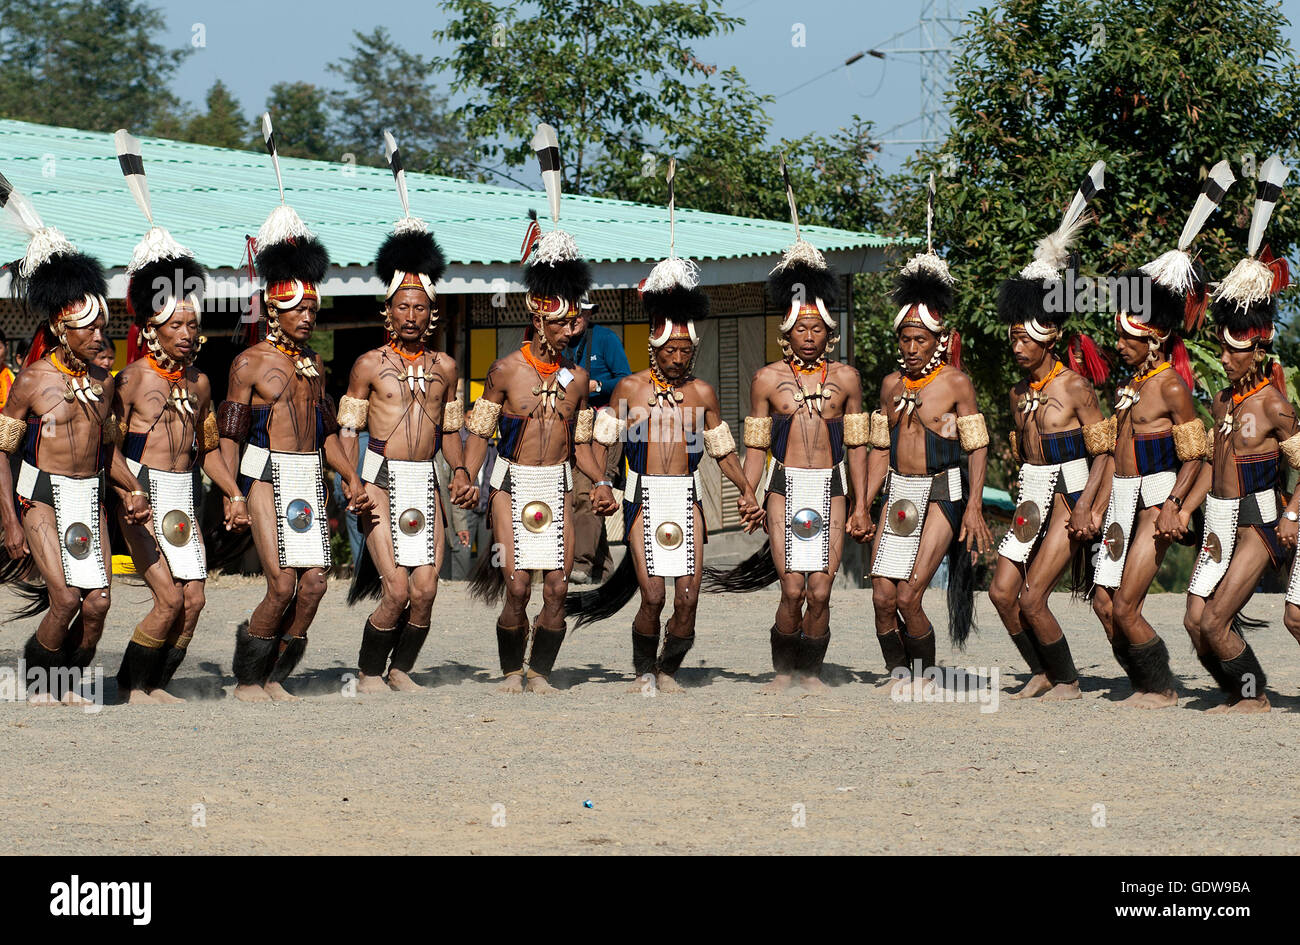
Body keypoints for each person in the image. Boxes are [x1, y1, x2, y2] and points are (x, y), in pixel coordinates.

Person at [566, 168, 759, 691]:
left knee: (688, 597)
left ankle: (670, 668)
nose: (677, 358)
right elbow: (603, 443)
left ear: (693, 350)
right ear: (654, 348)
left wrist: (747, 492)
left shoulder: (702, 395)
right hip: (642, 497)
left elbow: (722, 449)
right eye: (669, 350)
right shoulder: (629, 390)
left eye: (684, 351)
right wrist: (604, 484)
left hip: (687, 496)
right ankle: (643, 670)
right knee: (651, 594)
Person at [218, 114, 372, 703]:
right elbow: (229, 432)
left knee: (314, 586)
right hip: (263, 476)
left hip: (309, 475)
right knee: (281, 583)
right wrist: (231, 491)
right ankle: (245, 678)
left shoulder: (317, 365)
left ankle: (275, 673)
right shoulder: (250, 362)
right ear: (276, 310)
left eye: (313, 309)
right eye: (298, 310)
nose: (309, 318)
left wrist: (352, 475)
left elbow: (328, 431)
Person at [459, 123, 615, 694]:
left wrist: (601, 481)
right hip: (509, 482)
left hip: (556, 482)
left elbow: (581, 440)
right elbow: (479, 430)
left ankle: (541, 672)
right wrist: (462, 473)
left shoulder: (577, 380)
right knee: (518, 583)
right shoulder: (506, 370)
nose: (572, 330)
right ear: (539, 317)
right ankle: (507, 671)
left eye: (577, 322)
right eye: (562, 321)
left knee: (555, 588)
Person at [702, 169, 870, 690]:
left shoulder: (848, 380)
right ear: (786, 330)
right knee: (792, 587)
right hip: (784, 486)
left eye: (818, 328)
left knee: (821, 589)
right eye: (801, 327)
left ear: (830, 331)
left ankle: (812, 673)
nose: (810, 336)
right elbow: (755, 444)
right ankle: (783, 671)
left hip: (833, 487)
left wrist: (864, 502)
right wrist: (746, 492)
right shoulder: (766, 381)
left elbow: (861, 446)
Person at [109, 132, 250, 703]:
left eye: (195, 325)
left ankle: (154, 682)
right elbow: (107, 450)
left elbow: (210, 447)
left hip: (184, 494)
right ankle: (129, 686)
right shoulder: (132, 380)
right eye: (180, 327)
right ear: (152, 330)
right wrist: (124, 493)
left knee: (194, 599)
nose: (192, 335)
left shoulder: (201, 383)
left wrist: (234, 493)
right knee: (168, 597)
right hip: (141, 494)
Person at [0, 176, 149, 704]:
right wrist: (10, 519)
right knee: (64, 598)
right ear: (63, 330)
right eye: (87, 328)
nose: (98, 334)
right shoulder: (34, 379)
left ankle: (65, 680)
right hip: (40, 496)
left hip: (89, 498)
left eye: (101, 325)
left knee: (98, 603)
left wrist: (131, 488)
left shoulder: (105, 383)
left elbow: (107, 451)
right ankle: (37, 680)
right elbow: (1, 449)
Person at [1090, 170, 1222, 709]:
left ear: (1153, 338)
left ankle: (1161, 687)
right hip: (1121, 498)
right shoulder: (1130, 383)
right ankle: (1145, 678)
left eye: (1126, 335)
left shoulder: (1171, 385)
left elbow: (1199, 449)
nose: (1117, 343)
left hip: (1153, 499)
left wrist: (1173, 505)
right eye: (1117, 333)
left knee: (1125, 606)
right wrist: (1095, 501)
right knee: (1103, 602)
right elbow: (1108, 447)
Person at [341, 132, 464, 693]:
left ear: (431, 313)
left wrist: (461, 471)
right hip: (381, 480)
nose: (412, 314)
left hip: (427, 479)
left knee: (428, 589)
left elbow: (451, 432)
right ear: (388, 310)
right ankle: (368, 673)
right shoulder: (368, 364)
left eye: (421, 306)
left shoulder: (447, 367)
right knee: (395, 587)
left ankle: (402, 669)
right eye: (403, 306)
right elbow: (347, 431)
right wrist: (350, 480)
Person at [987, 163, 1114, 700]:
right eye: (1012, 337)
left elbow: (1107, 452)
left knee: (1034, 595)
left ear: (1048, 337)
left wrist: (1091, 506)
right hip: (1034, 492)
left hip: (1071, 493)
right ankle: (1041, 668)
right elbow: (1022, 452)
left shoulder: (1078, 388)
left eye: (1024, 338)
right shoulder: (1018, 395)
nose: (1016, 346)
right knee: (1000, 591)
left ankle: (1067, 679)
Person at [864, 178, 993, 685]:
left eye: (920, 339)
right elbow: (878, 449)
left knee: (911, 592)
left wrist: (976, 506)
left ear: (938, 340)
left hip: (945, 490)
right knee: (881, 595)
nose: (912, 347)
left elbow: (978, 447)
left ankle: (926, 674)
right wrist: (860, 505)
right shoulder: (890, 386)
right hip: (900, 489)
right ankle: (899, 672)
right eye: (905, 338)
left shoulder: (957, 384)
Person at [1188, 156, 1295, 714]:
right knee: (1193, 619)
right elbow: (1209, 457)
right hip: (1222, 514)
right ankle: (1237, 690)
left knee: (1216, 618)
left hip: (1261, 519)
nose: (1226, 356)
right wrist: (1184, 505)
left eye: (1236, 348)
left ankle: (1254, 698)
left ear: (1258, 347)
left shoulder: (1275, 403)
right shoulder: (1222, 399)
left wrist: (1293, 514)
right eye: (1224, 346)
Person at [566, 300, 629, 584]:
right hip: (570, 424)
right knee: (577, 495)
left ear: (590, 313)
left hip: (604, 422)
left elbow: (626, 381)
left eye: (581, 312)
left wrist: (597, 386)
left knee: (589, 492)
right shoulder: (559, 343)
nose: (575, 318)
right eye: (570, 312)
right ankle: (603, 571)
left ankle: (579, 564)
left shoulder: (605, 338)